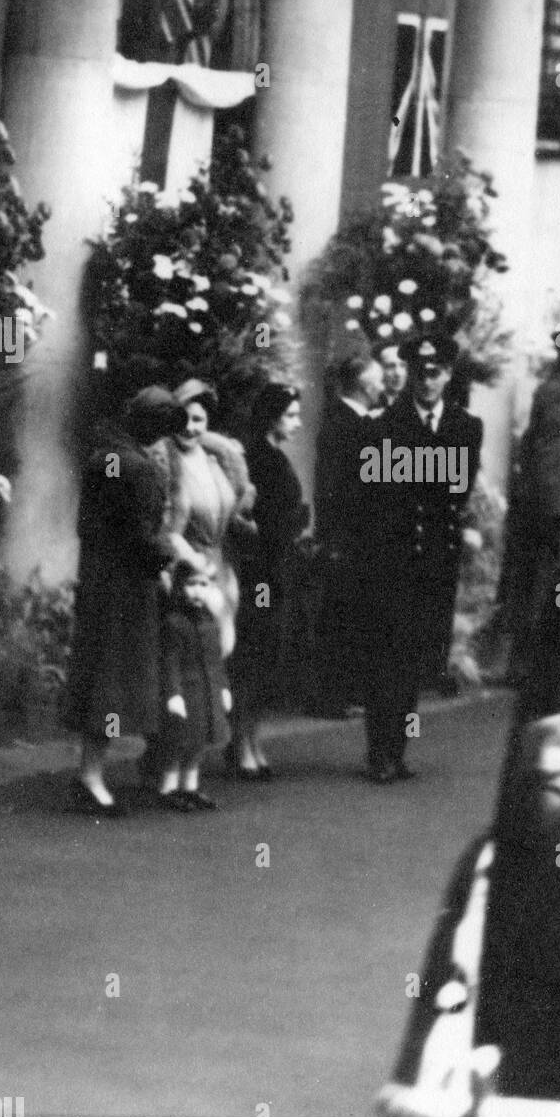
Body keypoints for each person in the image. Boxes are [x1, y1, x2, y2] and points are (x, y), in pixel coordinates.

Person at [361, 332, 483, 783]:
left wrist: (417, 467)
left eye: (435, 374)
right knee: (386, 655)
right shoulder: (383, 425)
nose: (427, 382)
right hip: (393, 554)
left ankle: (400, 748)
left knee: (417, 656)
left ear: (448, 375)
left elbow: (457, 486)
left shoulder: (465, 426)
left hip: (435, 557)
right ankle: (380, 752)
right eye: (420, 374)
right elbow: (379, 487)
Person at [63, 386, 185, 816]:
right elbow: (140, 535)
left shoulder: (105, 456)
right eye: (161, 429)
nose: (162, 439)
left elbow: (95, 526)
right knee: (113, 679)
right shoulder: (134, 466)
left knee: (102, 673)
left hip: (100, 581)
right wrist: (170, 561)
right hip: (127, 589)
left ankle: (96, 770)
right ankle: (92, 777)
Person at [228, 384, 308, 780]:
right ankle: (241, 741)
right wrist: (292, 522)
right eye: (291, 415)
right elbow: (252, 517)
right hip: (258, 571)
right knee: (253, 651)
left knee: (267, 655)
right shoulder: (254, 458)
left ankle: (253, 738)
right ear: (273, 416)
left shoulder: (275, 457)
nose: (297, 422)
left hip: (277, 568)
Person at [501, 338, 560, 681]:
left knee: (550, 582)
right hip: (559, 502)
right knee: (552, 581)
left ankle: (535, 660)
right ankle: (533, 662)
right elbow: (547, 450)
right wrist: (554, 506)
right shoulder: (559, 392)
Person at [155, 379, 257, 658]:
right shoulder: (165, 463)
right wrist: (187, 560)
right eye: (183, 419)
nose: (190, 427)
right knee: (190, 657)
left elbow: (232, 509)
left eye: (198, 419)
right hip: (187, 575)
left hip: (221, 566)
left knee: (219, 654)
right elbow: (163, 527)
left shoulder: (217, 459)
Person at [313, 355, 384, 716]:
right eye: (377, 381)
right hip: (347, 536)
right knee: (341, 617)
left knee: (348, 615)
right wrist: (334, 537)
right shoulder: (345, 424)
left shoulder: (349, 421)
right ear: (364, 385)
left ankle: (342, 693)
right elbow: (334, 487)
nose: (382, 387)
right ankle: (332, 696)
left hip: (353, 535)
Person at [155, 563, 232, 812]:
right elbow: (170, 662)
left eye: (203, 584)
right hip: (187, 693)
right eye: (191, 584)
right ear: (179, 587)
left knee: (199, 743)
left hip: (207, 691)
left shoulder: (210, 622)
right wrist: (173, 694)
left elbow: (216, 661)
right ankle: (168, 787)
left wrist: (224, 688)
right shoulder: (174, 623)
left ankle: (190, 786)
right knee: (179, 742)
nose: (197, 591)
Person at [372, 339, 408, 410]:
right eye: (390, 366)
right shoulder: (371, 405)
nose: (398, 373)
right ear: (377, 369)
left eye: (403, 365)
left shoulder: (415, 400)